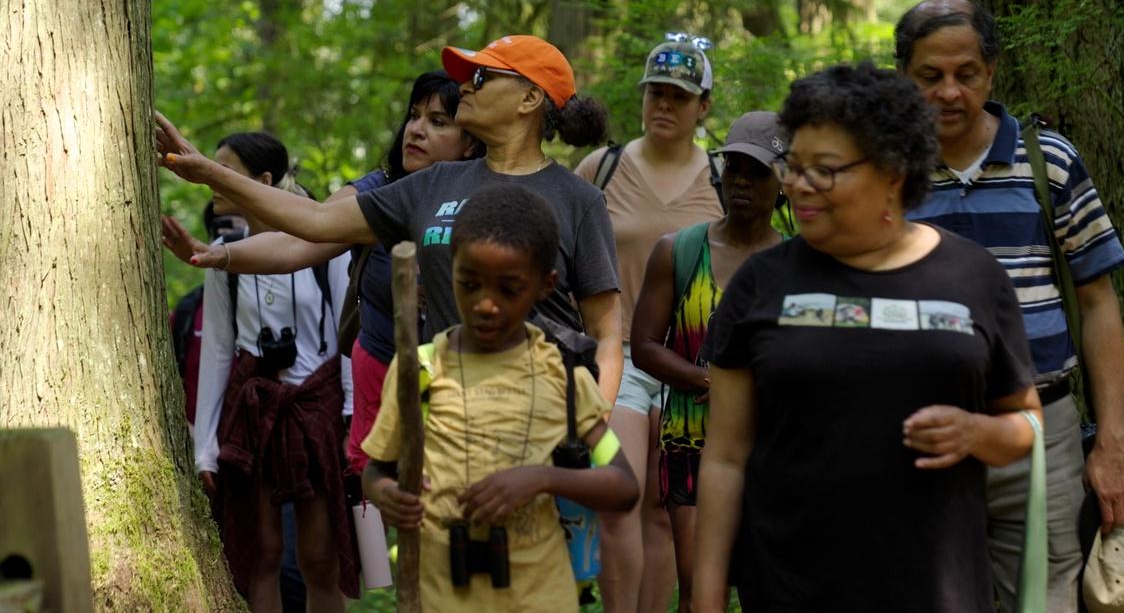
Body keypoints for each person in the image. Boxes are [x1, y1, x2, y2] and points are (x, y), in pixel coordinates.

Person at [691, 63, 1043, 612]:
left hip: (937, 591)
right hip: (790, 590)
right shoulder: (760, 284)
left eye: (825, 169)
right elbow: (725, 459)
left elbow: (1026, 421)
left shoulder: (975, 277)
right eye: (794, 166)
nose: (799, 185)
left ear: (892, 173)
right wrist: (706, 599)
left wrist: (977, 433)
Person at [155, 35, 624, 407]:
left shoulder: (578, 199)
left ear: (529, 98)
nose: (464, 86)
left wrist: (594, 423)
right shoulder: (433, 183)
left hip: (547, 419)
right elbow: (315, 222)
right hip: (449, 419)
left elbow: (605, 332)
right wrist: (208, 177)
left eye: (481, 76)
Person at [895, 0, 1124, 612]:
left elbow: (1099, 304)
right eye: (930, 76)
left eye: (967, 73)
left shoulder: (1048, 161)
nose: (950, 92)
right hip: (920, 432)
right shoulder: (885, 172)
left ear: (992, 71)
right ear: (903, 75)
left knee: (1047, 597)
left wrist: (1111, 443)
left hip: (1044, 433)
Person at [162, 70, 481, 474]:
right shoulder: (379, 188)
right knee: (384, 503)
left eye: (437, 122)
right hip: (379, 384)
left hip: (463, 386)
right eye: (414, 116)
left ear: (470, 142)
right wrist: (218, 252)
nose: (416, 129)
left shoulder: (484, 192)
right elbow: (304, 233)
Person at [361, 183, 639, 611]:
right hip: (442, 598)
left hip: (541, 598)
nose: (485, 304)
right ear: (451, 270)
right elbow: (376, 470)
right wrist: (386, 494)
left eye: (508, 289)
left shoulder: (563, 376)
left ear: (545, 285)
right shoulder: (419, 370)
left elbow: (622, 486)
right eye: (469, 283)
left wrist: (542, 478)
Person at [574, 34, 723, 612]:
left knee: (665, 508)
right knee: (622, 492)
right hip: (618, 355)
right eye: (655, 92)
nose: (664, 104)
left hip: (693, 366)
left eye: (679, 96)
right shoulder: (601, 168)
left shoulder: (722, 177)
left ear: (703, 106)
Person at [629, 111, 788, 613]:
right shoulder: (678, 251)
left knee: (769, 589)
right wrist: (709, 380)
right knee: (700, 591)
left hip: (770, 447)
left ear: (783, 181)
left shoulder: (796, 264)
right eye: (733, 167)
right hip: (691, 438)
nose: (741, 180)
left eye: (757, 171)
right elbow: (644, 345)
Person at [192, 132, 356, 611]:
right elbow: (218, 349)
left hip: (316, 406)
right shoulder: (223, 251)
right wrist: (206, 447)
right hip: (253, 410)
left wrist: (352, 415)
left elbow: (349, 329)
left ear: (263, 181)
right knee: (261, 553)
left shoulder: (326, 239)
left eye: (226, 171)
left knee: (319, 556)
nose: (213, 181)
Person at [168, 201, 247, 429]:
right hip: (199, 437)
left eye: (239, 235)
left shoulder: (275, 305)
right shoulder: (187, 313)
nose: (228, 244)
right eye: (221, 238)